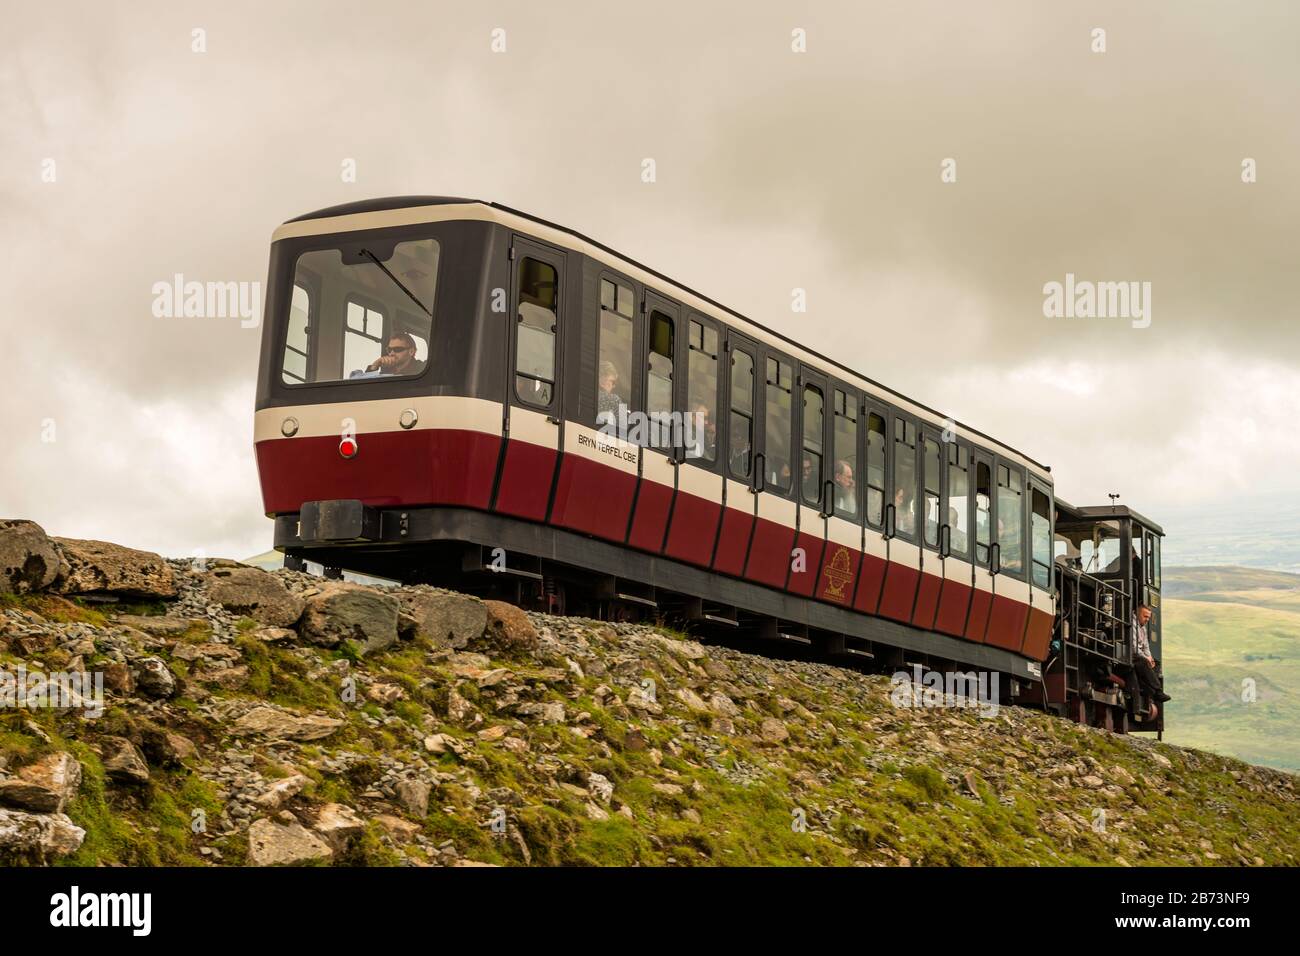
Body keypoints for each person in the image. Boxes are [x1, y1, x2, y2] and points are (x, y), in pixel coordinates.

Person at [1131, 603, 1170, 718]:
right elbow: (1134, 648)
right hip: (1132, 656)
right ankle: (1157, 691)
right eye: (1145, 616)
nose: (1147, 619)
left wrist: (1150, 658)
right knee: (1142, 663)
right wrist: (1145, 657)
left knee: (1156, 664)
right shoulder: (1132, 624)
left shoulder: (1142, 628)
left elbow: (1146, 646)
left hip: (1140, 656)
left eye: (1148, 617)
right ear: (1137, 614)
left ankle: (1151, 692)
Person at [596, 361, 623, 428]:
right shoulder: (615, 400)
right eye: (612, 382)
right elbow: (623, 426)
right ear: (602, 380)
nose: (614, 386)